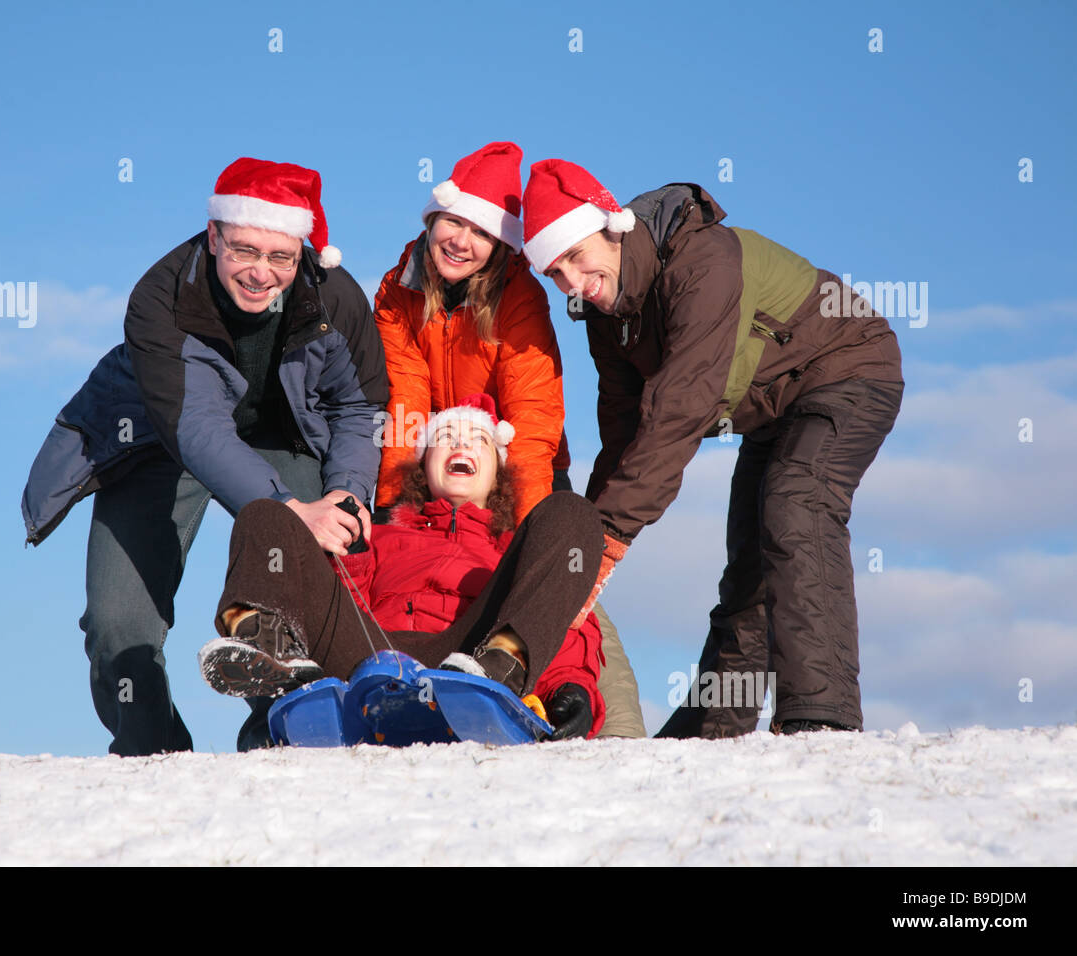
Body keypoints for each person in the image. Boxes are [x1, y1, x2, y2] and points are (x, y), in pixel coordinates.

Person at [521, 160, 904, 738]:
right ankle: (714, 727)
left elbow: (681, 407)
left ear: (613, 227)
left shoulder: (703, 263)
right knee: (751, 556)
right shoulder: (607, 315)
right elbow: (626, 432)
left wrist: (611, 539)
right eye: (555, 273)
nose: (572, 282)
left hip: (849, 368)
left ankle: (820, 714)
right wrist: (587, 533)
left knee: (796, 505)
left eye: (577, 256)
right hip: (772, 405)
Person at [21, 157, 389, 756]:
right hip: (159, 440)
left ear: (303, 252)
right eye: (244, 250)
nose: (260, 274)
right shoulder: (161, 298)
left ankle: (275, 738)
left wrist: (346, 489)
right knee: (118, 625)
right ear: (214, 235)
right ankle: (150, 752)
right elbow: (197, 430)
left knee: (300, 579)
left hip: (284, 439)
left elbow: (361, 406)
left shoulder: (336, 298)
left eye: (280, 258)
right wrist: (287, 508)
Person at [371, 141, 646, 738]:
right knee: (403, 571)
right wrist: (396, 500)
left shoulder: (518, 296)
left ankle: (613, 726)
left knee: (560, 580)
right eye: (453, 221)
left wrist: (523, 521)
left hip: (520, 459)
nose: (461, 240)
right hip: (436, 455)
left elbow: (534, 411)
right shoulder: (398, 292)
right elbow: (405, 400)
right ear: (431, 219)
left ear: (500, 245)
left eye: (481, 231)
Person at [199, 394, 607, 740]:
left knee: (572, 512)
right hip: (369, 660)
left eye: (478, 439)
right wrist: (352, 556)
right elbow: (329, 600)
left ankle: (502, 671)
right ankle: (272, 653)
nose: (460, 444)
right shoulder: (380, 536)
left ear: (498, 469)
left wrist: (571, 688)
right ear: (424, 464)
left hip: (468, 662)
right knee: (266, 514)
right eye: (445, 437)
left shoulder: (516, 553)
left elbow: (559, 620)